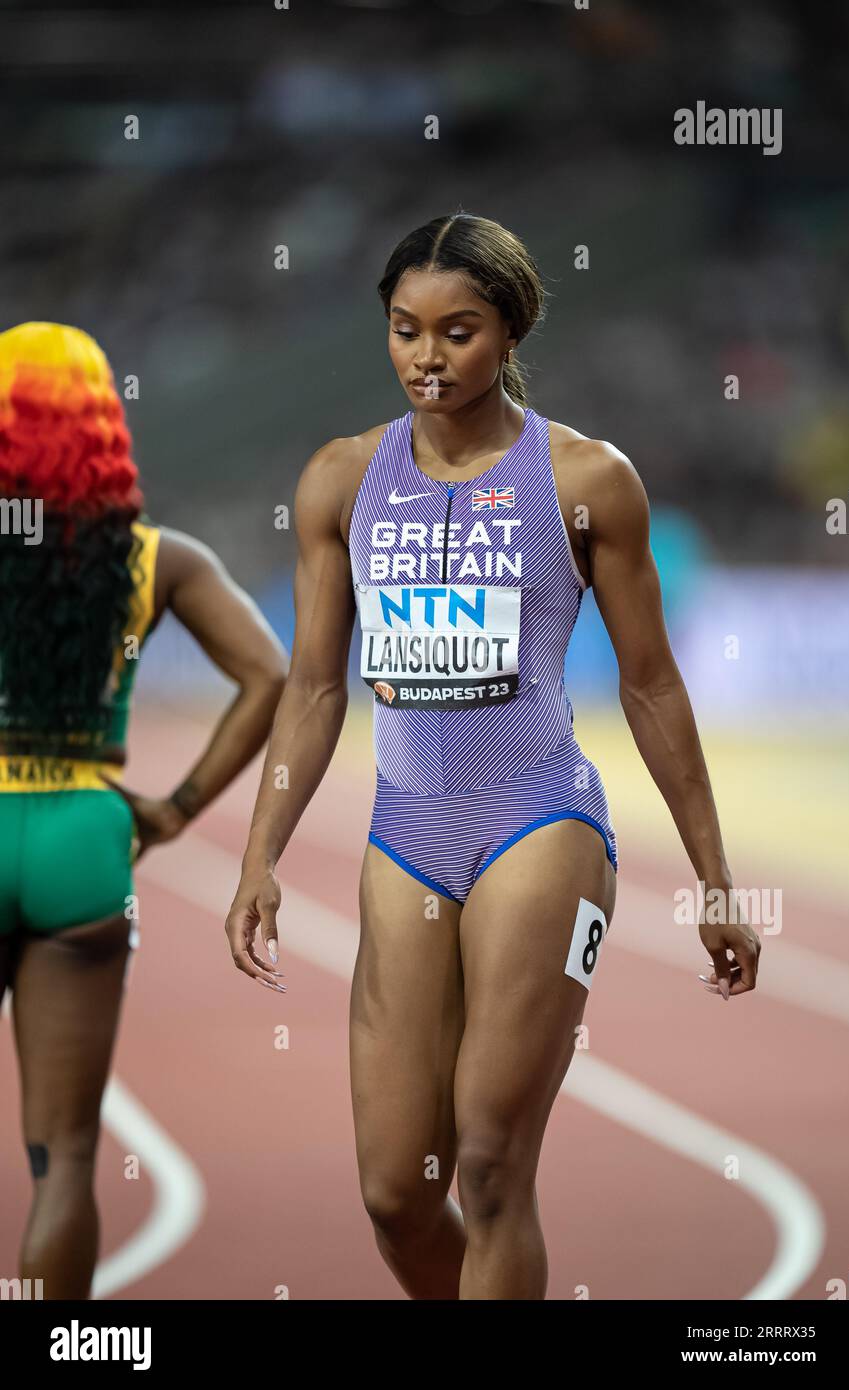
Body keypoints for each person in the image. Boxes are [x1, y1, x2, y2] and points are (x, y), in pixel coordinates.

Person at [225, 213, 761, 1300]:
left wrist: (714, 879)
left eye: (457, 331)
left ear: (510, 332)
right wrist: (258, 855)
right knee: (395, 1192)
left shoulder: (585, 479)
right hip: (404, 832)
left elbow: (652, 685)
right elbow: (315, 687)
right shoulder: (339, 480)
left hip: (539, 821)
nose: (427, 356)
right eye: (405, 329)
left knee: (490, 1163)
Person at [0, 321, 289, 1298]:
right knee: (65, 1156)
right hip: (88, 836)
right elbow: (269, 675)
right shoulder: (158, 558)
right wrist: (173, 810)